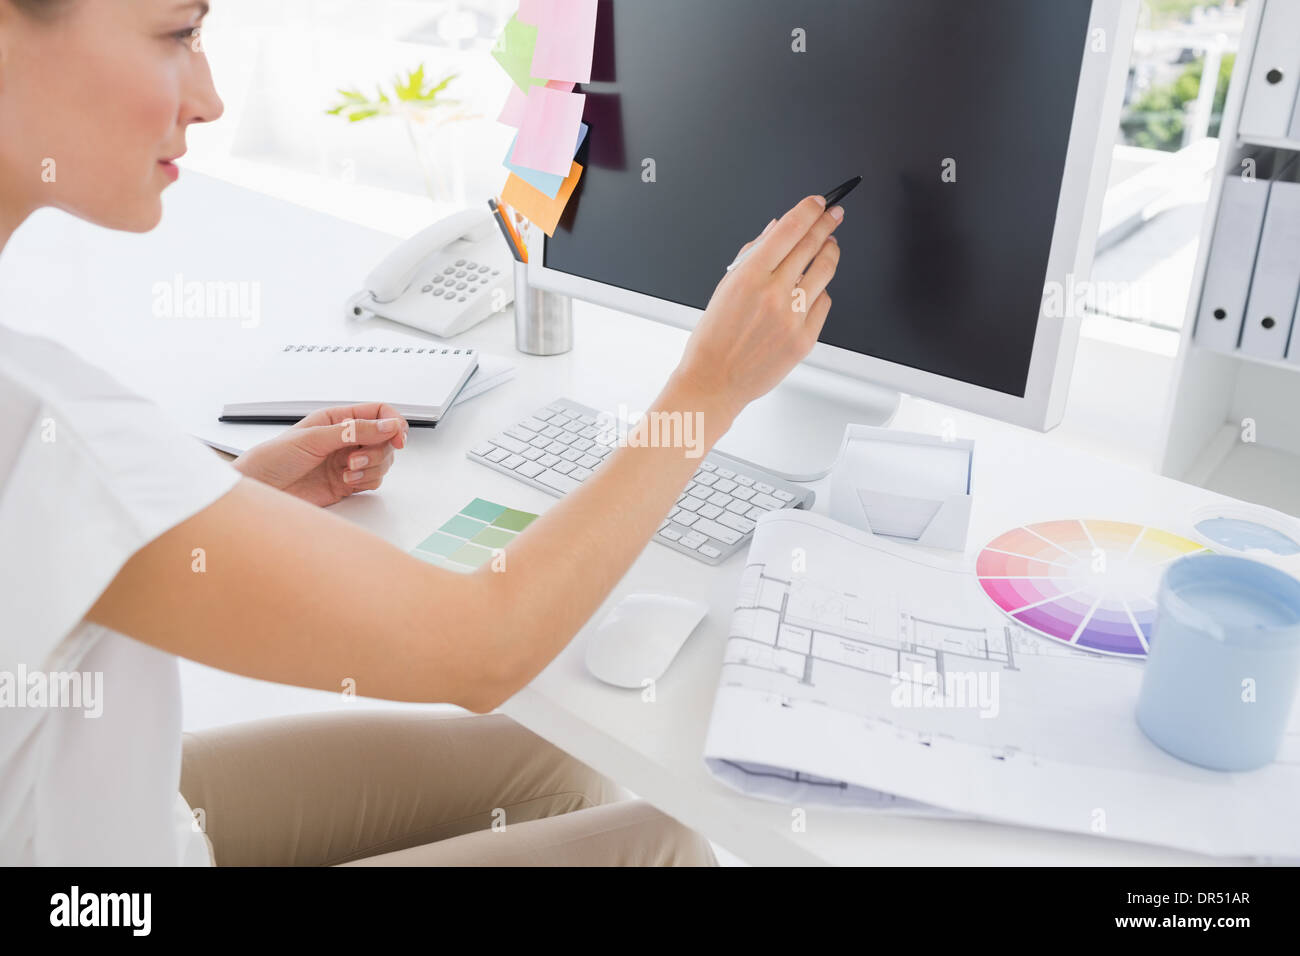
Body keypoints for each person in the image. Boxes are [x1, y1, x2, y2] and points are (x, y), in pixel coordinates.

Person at [0, 0, 843, 866]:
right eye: (178, 33)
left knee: (553, 759)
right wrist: (710, 388)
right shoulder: (45, 423)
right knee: (658, 843)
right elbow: (485, 650)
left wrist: (225, 503)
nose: (210, 99)